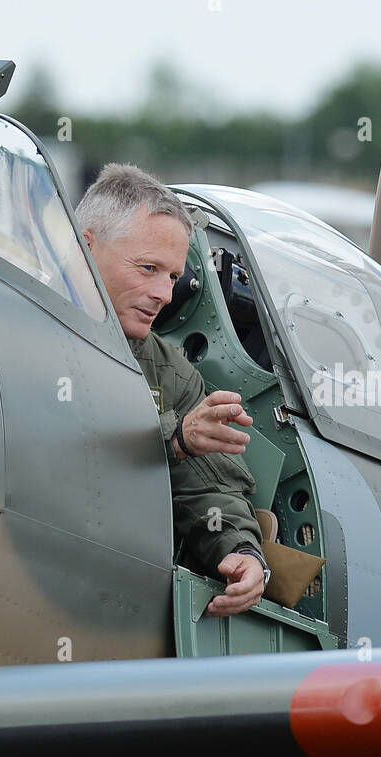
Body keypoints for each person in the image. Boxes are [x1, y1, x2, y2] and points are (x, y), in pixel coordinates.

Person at [75, 164, 267, 617]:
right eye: (148, 268)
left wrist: (240, 549)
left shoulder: (169, 372)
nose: (163, 293)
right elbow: (61, 423)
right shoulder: (16, 321)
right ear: (85, 248)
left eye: (172, 276)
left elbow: (209, 488)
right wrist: (174, 437)